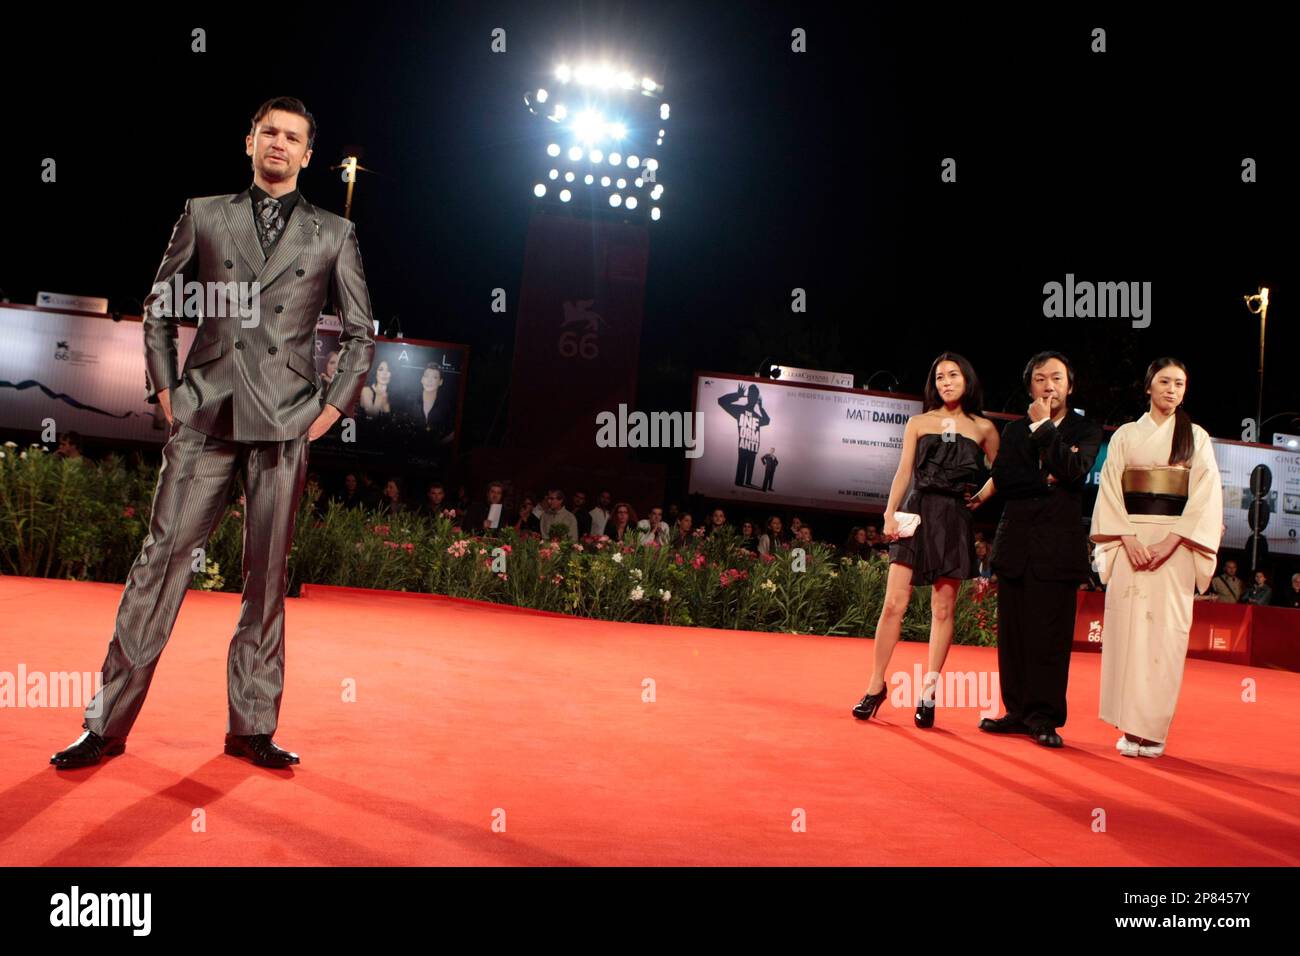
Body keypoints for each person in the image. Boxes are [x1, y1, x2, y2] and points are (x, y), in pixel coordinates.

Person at [51, 96, 374, 770]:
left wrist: (332, 409)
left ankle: (251, 726)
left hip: (286, 421)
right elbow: (160, 305)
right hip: (205, 414)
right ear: (250, 141)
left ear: (309, 154)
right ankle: (105, 723)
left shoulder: (333, 234)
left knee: (266, 577)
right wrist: (166, 387)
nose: (279, 145)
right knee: (159, 562)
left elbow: (359, 334)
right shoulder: (204, 213)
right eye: (269, 133)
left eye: (293, 138)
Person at [853, 352, 998, 728]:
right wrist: (889, 512)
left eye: (953, 375)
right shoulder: (918, 422)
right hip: (914, 512)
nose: (945, 382)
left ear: (968, 380)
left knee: (943, 609)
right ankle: (874, 686)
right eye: (939, 377)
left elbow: (1005, 472)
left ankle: (929, 692)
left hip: (953, 518)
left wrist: (981, 497)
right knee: (892, 605)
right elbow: (903, 472)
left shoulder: (984, 428)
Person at [1090, 358, 1223, 758]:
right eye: (1164, 381)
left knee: (1165, 637)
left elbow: (1205, 496)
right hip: (1130, 541)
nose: (1172, 389)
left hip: (1176, 547)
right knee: (1128, 633)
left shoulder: (1195, 437)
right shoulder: (1126, 436)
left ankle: (1153, 730)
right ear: (1148, 387)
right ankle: (1131, 728)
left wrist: (1172, 541)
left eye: (1180, 384)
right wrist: (1126, 537)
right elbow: (1110, 490)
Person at [978, 351, 1102, 749]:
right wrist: (1046, 479)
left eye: (1057, 378)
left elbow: (1073, 473)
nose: (1049, 386)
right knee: (1012, 636)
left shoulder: (1086, 430)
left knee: (1049, 639)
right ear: (1029, 385)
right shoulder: (1013, 432)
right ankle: (1015, 712)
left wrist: (1046, 430)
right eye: (1040, 379)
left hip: (1057, 552)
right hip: (1015, 545)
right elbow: (1008, 482)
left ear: (1070, 385)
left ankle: (1044, 717)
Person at [717, 383, 770, 488]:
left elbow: (767, 421)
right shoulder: (739, 410)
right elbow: (721, 401)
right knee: (740, 476)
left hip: (753, 447)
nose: (753, 398)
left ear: (756, 399)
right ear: (748, 396)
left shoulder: (756, 416)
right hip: (743, 445)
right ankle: (741, 482)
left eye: (755, 396)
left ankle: (748, 482)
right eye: (751, 395)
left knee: (749, 472)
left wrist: (761, 407)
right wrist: (737, 395)